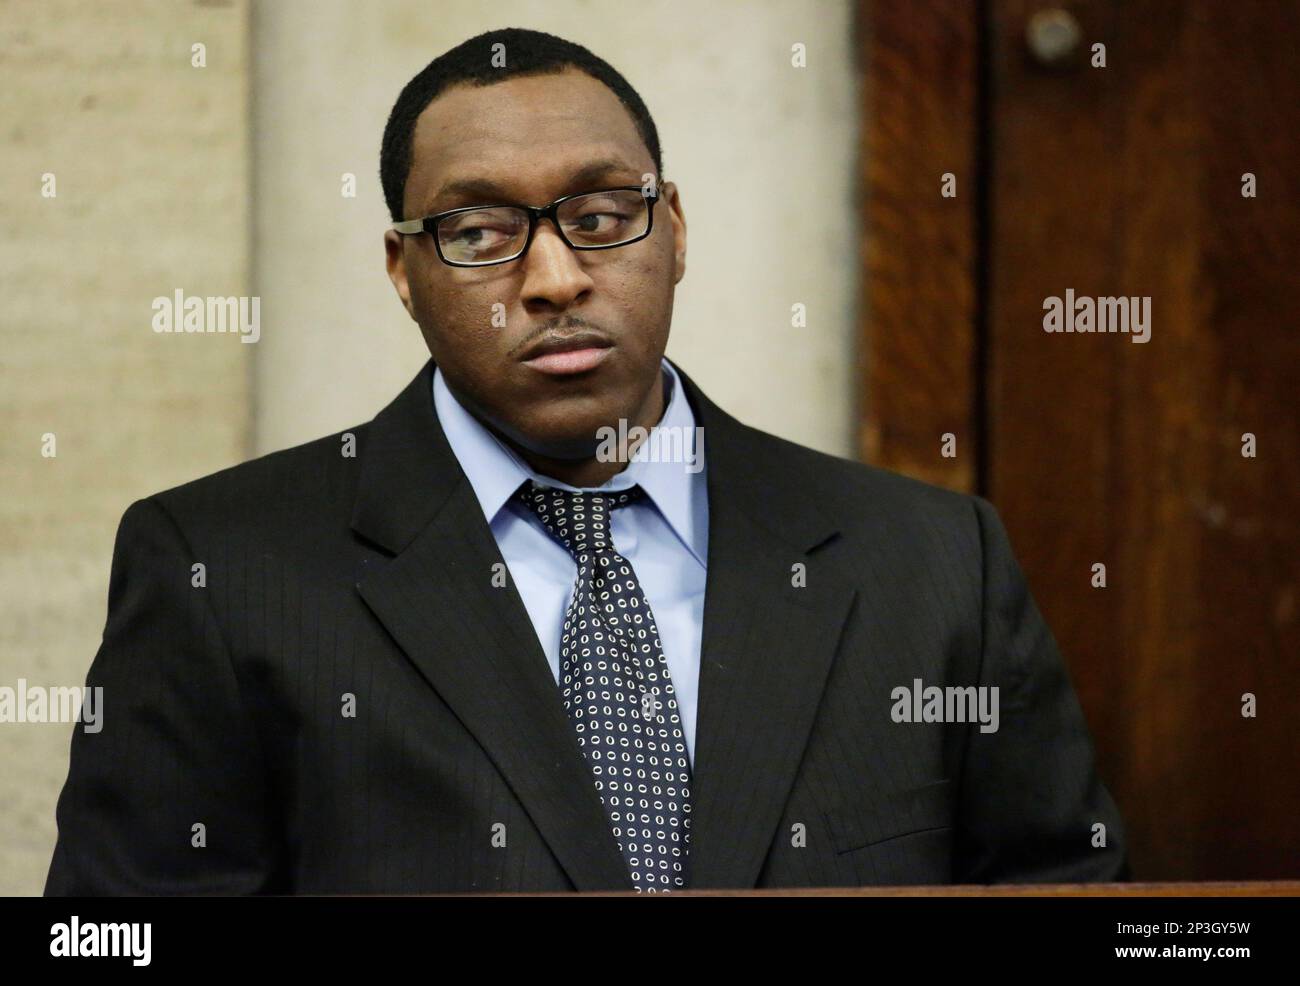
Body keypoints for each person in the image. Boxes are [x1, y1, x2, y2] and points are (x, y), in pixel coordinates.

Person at [45, 27, 1127, 894]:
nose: (556, 276)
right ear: (404, 270)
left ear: (676, 232)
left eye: (603, 215)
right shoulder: (223, 571)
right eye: (478, 232)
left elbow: (1072, 891)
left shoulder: (930, 560)